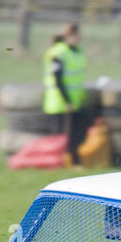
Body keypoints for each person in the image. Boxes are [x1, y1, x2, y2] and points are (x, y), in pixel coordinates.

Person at [43, 23, 89, 164]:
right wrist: (67, 100)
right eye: (78, 35)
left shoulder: (76, 51)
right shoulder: (58, 52)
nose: (80, 38)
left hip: (74, 101)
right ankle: (56, 163)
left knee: (75, 135)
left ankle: (72, 162)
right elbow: (57, 78)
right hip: (59, 101)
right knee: (59, 138)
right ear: (70, 36)